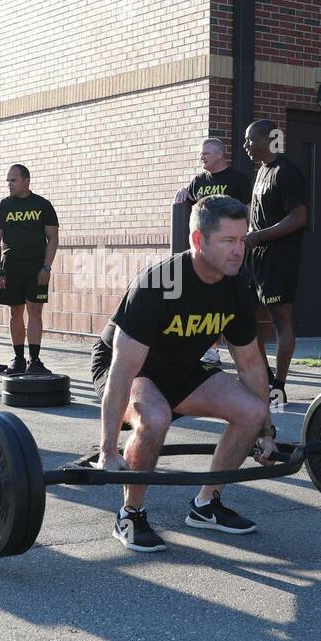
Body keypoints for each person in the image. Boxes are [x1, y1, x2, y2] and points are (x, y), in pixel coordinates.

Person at [91, 195, 276, 552]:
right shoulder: (159, 283)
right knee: (155, 419)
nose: (239, 250)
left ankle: (206, 504)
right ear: (197, 241)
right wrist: (108, 448)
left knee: (252, 411)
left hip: (181, 366)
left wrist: (266, 430)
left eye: (242, 240)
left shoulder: (236, 285)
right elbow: (123, 368)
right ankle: (130, 514)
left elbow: (250, 364)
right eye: (228, 241)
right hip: (129, 368)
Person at [242, 120, 308, 404]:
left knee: (281, 321)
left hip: (280, 259)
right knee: (246, 319)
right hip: (254, 259)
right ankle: (265, 380)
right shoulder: (261, 172)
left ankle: (279, 387)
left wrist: (261, 236)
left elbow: (299, 217)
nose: (246, 146)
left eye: (250, 140)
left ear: (269, 140)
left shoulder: (287, 172)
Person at [173, 138, 252, 364]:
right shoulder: (198, 181)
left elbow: (247, 213)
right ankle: (210, 349)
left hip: (227, 249)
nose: (202, 157)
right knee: (202, 297)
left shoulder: (237, 180)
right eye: (201, 154)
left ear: (220, 154)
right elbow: (188, 202)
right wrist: (182, 192)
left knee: (226, 297)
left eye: (206, 153)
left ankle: (244, 356)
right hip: (203, 252)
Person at [0, 164, 59, 376]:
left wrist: (47, 266)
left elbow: (53, 237)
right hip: (11, 268)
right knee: (15, 311)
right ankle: (18, 358)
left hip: (36, 268)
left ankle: (35, 360)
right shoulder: (3, 207)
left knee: (35, 311)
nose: (9, 184)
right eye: (8, 181)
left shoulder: (42, 205)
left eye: (13, 180)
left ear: (26, 180)